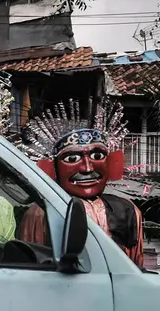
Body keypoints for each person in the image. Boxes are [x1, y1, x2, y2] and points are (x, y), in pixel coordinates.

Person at [17, 98, 145, 267]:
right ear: (52, 169)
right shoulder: (41, 212)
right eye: (72, 158)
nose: (86, 168)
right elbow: (32, 268)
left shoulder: (128, 210)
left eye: (97, 156)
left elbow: (136, 265)